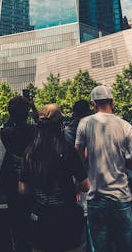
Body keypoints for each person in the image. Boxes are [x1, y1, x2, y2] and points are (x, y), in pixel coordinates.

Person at [19, 104, 89, 252]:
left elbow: (23, 190)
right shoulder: (68, 150)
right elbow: (85, 185)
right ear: (60, 125)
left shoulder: (29, 152)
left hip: (40, 217)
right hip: (66, 217)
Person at [74, 85, 132, 252]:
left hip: (95, 196)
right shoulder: (126, 126)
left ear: (93, 104)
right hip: (121, 196)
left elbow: (77, 158)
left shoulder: (85, 123)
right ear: (112, 101)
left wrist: (77, 183)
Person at [0, 94, 38, 252]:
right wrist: (33, 107)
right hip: (30, 176)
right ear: (26, 113)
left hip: (11, 177)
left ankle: (17, 246)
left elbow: (8, 123)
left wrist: (14, 113)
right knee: (30, 213)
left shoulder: (6, 132)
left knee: (14, 216)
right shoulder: (33, 131)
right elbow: (43, 124)